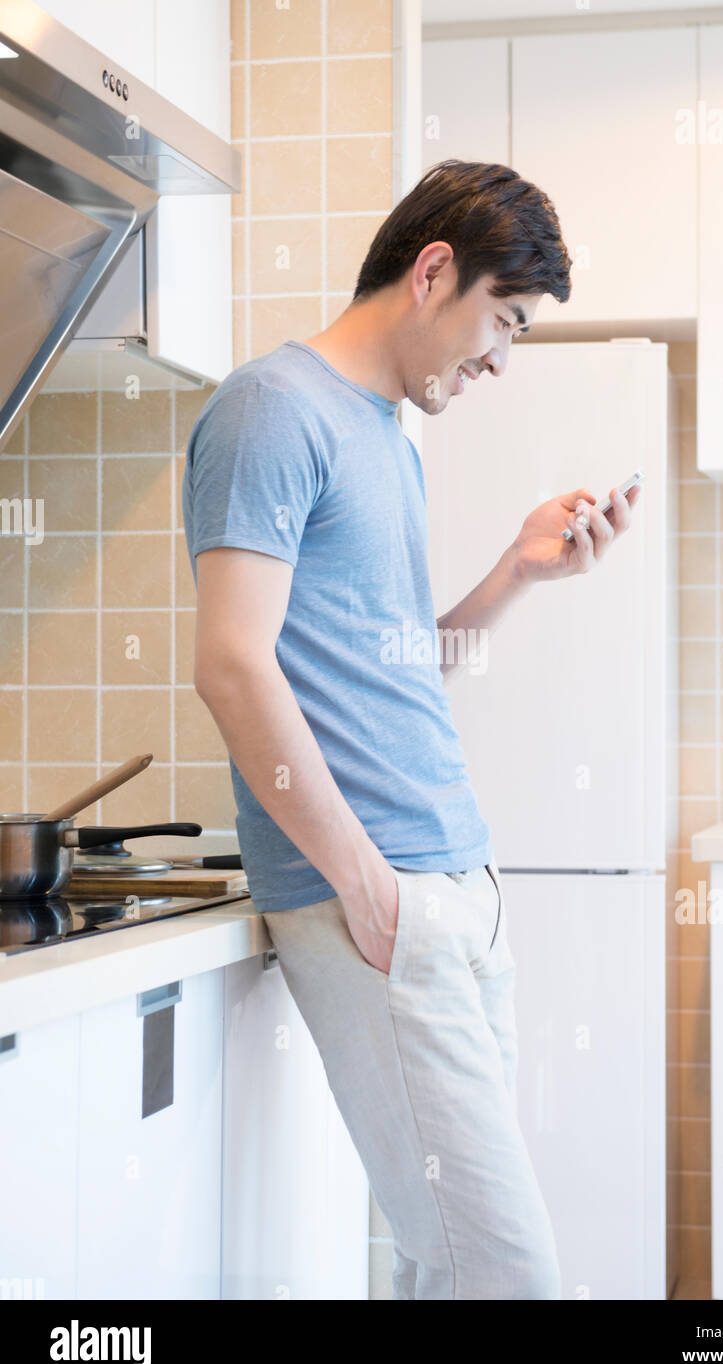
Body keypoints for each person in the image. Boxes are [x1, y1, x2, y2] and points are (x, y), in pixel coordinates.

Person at [183, 159, 641, 1300]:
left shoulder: (383, 434)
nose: (499, 358)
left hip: (460, 889)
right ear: (435, 271)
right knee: (508, 1274)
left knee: (449, 1273)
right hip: (379, 897)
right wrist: (364, 884)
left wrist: (518, 573)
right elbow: (233, 665)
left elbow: (398, 663)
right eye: (504, 320)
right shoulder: (267, 409)